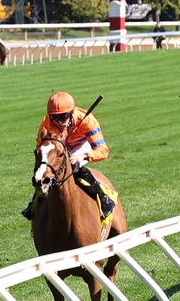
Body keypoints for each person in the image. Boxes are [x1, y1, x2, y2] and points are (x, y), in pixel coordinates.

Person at [21, 92, 115, 222]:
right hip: (57, 146)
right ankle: (35, 201)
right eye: (55, 118)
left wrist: (85, 156)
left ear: (71, 113)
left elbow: (103, 150)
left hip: (80, 146)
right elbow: (40, 149)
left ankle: (102, 196)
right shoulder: (46, 123)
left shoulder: (87, 120)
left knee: (74, 165)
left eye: (64, 117)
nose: (59, 122)